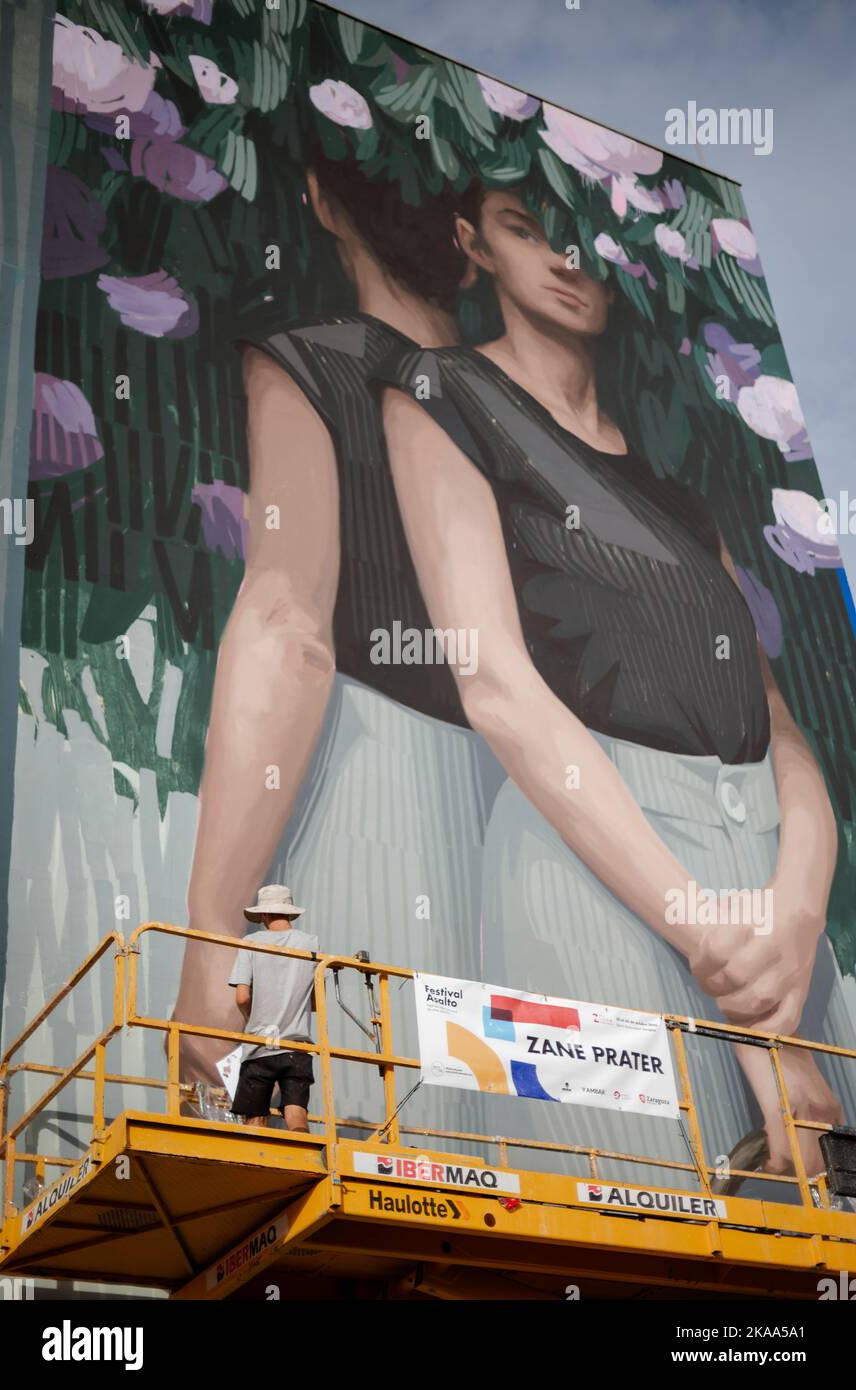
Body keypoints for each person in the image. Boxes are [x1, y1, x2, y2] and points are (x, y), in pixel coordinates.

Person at [370, 181, 856, 1195]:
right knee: (621, 1206)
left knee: (821, 1236)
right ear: (473, 243)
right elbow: (496, 682)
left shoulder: (679, 490)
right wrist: (704, 927)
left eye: (583, 238)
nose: (563, 258)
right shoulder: (437, 394)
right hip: (588, 862)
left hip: (771, 885)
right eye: (523, 228)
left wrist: (798, 908)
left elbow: (776, 723)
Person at [172, 152, 503, 1154]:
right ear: (469, 240)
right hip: (549, 833)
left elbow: (289, 626)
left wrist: (207, 940)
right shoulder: (531, 405)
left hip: (378, 789)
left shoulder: (310, 360)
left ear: (318, 198)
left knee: (352, 1182)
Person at [228, 884, 319, 1131]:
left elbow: (242, 998)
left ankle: (257, 1164)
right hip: (296, 1046)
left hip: (260, 1043)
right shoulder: (310, 943)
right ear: (290, 912)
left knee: (255, 1118)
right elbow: (315, 1002)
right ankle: (303, 1160)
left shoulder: (251, 942)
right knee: (297, 1112)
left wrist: (252, 1019)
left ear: (264, 914)